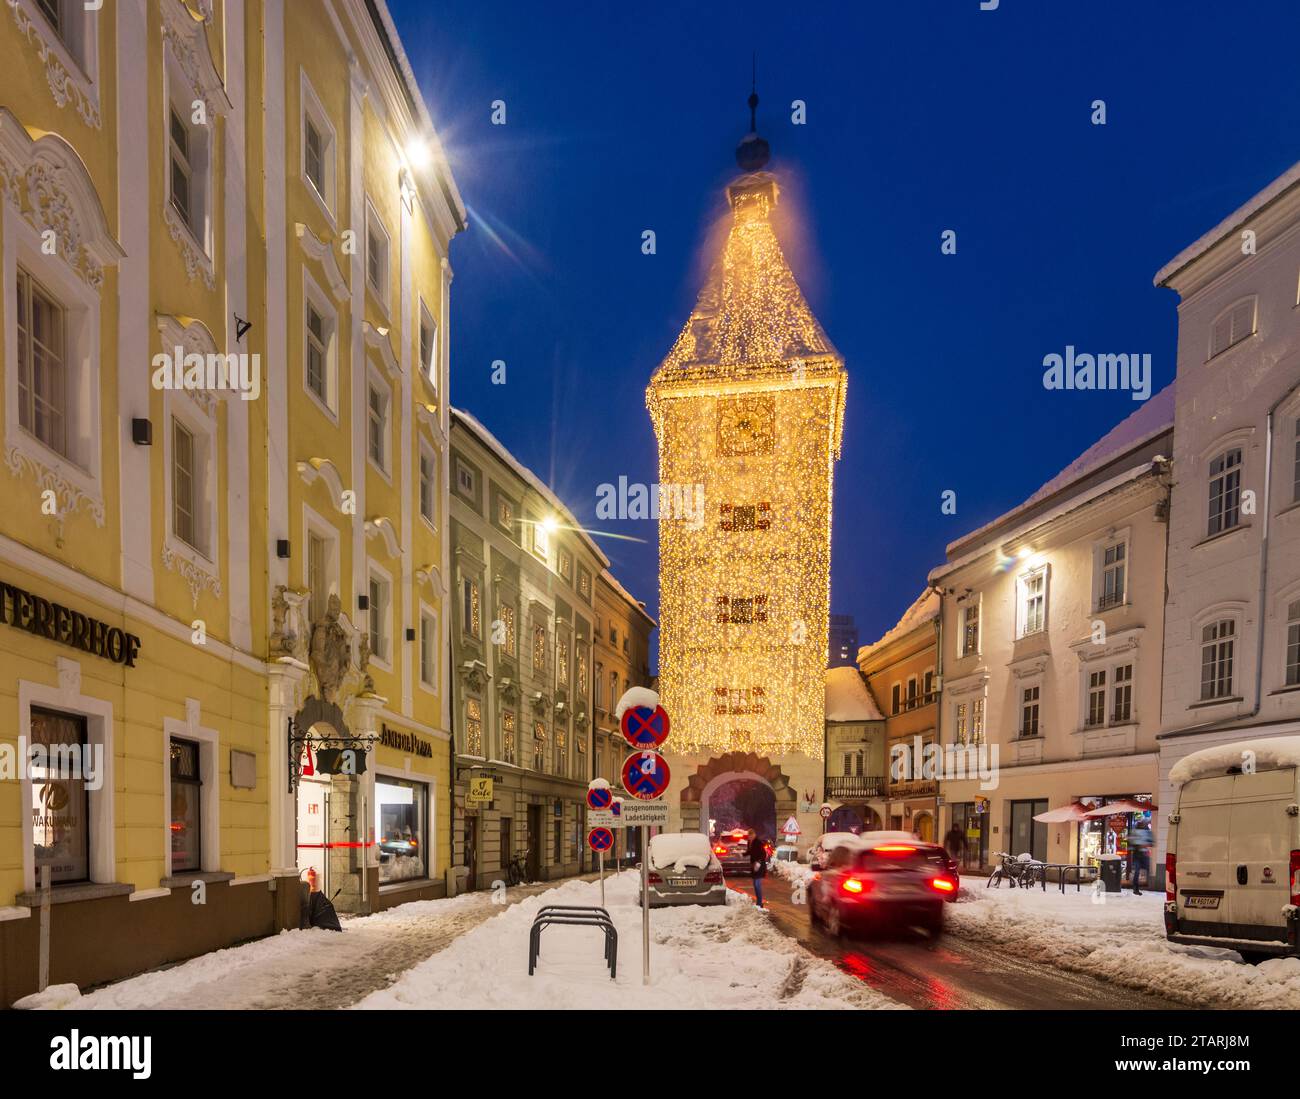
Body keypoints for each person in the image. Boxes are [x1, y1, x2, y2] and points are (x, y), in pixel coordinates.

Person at [1129, 819, 1154, 896]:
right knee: (1137, 871)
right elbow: (1130, 844)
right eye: (1141, 824)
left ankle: (1138, 887)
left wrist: (1146, 844)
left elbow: (1152, 842)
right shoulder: (1135, 832)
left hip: (1143, 854)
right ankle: (1135, 888)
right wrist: (1138, 846)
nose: (1142, 825)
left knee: (1145, 870)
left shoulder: (1146, 832)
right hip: (1138, 854)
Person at [748, 828, 768, 909]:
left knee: (757, 884)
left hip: (759, 866)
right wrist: (742, 854)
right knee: (755, 885)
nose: (749, 837)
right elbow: (750, 851)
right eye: (749, 836)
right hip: (754, 866)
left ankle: (759, 903)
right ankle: (758, 902)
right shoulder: (750, 842)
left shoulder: (758, 842)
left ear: (754, 835)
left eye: (750, 836)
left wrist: (759, 862)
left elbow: (763, 854)